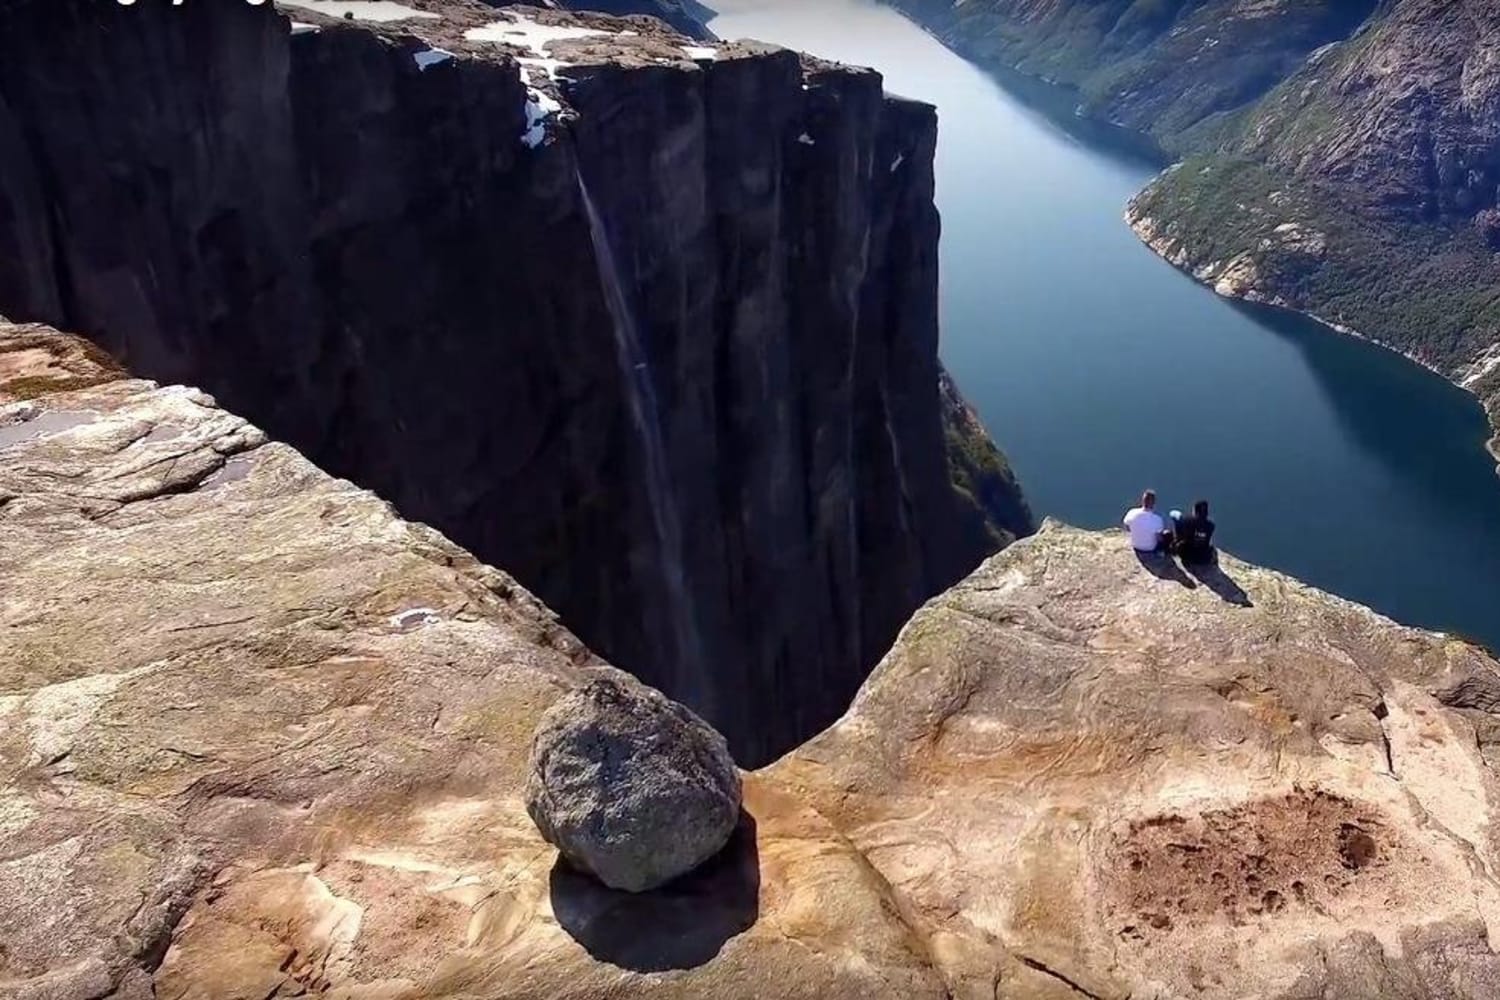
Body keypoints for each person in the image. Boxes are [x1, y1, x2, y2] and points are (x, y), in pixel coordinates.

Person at [1173, 500, 1217, 566]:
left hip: (1187, 556)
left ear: (1195, 511)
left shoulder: (1187, 521)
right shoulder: (1211, 525)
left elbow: (1181, 536)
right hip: (1204, 558)